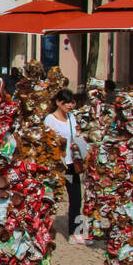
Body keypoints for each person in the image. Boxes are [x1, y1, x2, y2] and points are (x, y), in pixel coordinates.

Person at [44, 89, 87, 242]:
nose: (70, 105)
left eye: (71, 102)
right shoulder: (50, 119)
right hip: (57, 165)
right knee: (51, 198)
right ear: (58, 102)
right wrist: (57, 141)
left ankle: (76, 232)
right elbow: (46, 141)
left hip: (71, 163)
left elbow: (76, 135)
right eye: (66, 102)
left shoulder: (71, 118)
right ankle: (44, 229)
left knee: (76, 197)